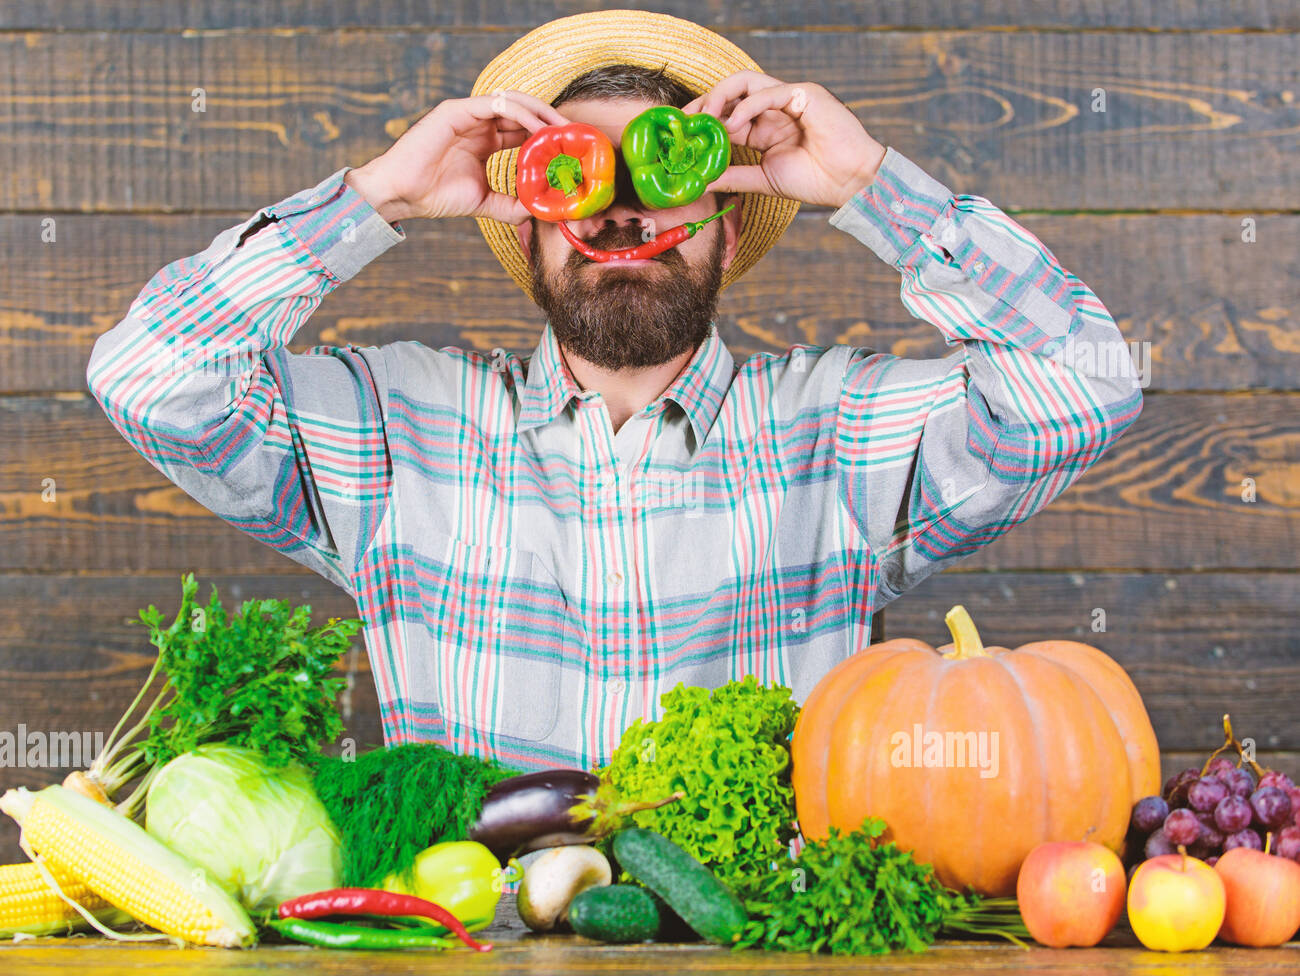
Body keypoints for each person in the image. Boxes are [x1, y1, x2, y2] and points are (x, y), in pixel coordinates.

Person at [86, 14, 1143, 771]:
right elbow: (150, 377)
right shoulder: (392, 429)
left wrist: (877, 190)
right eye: (579, 174)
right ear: (530, 225)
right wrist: (378, 196)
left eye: (670, 174)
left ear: (728, 223)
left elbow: (1086, 381)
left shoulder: (844, 430)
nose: (626, 213)